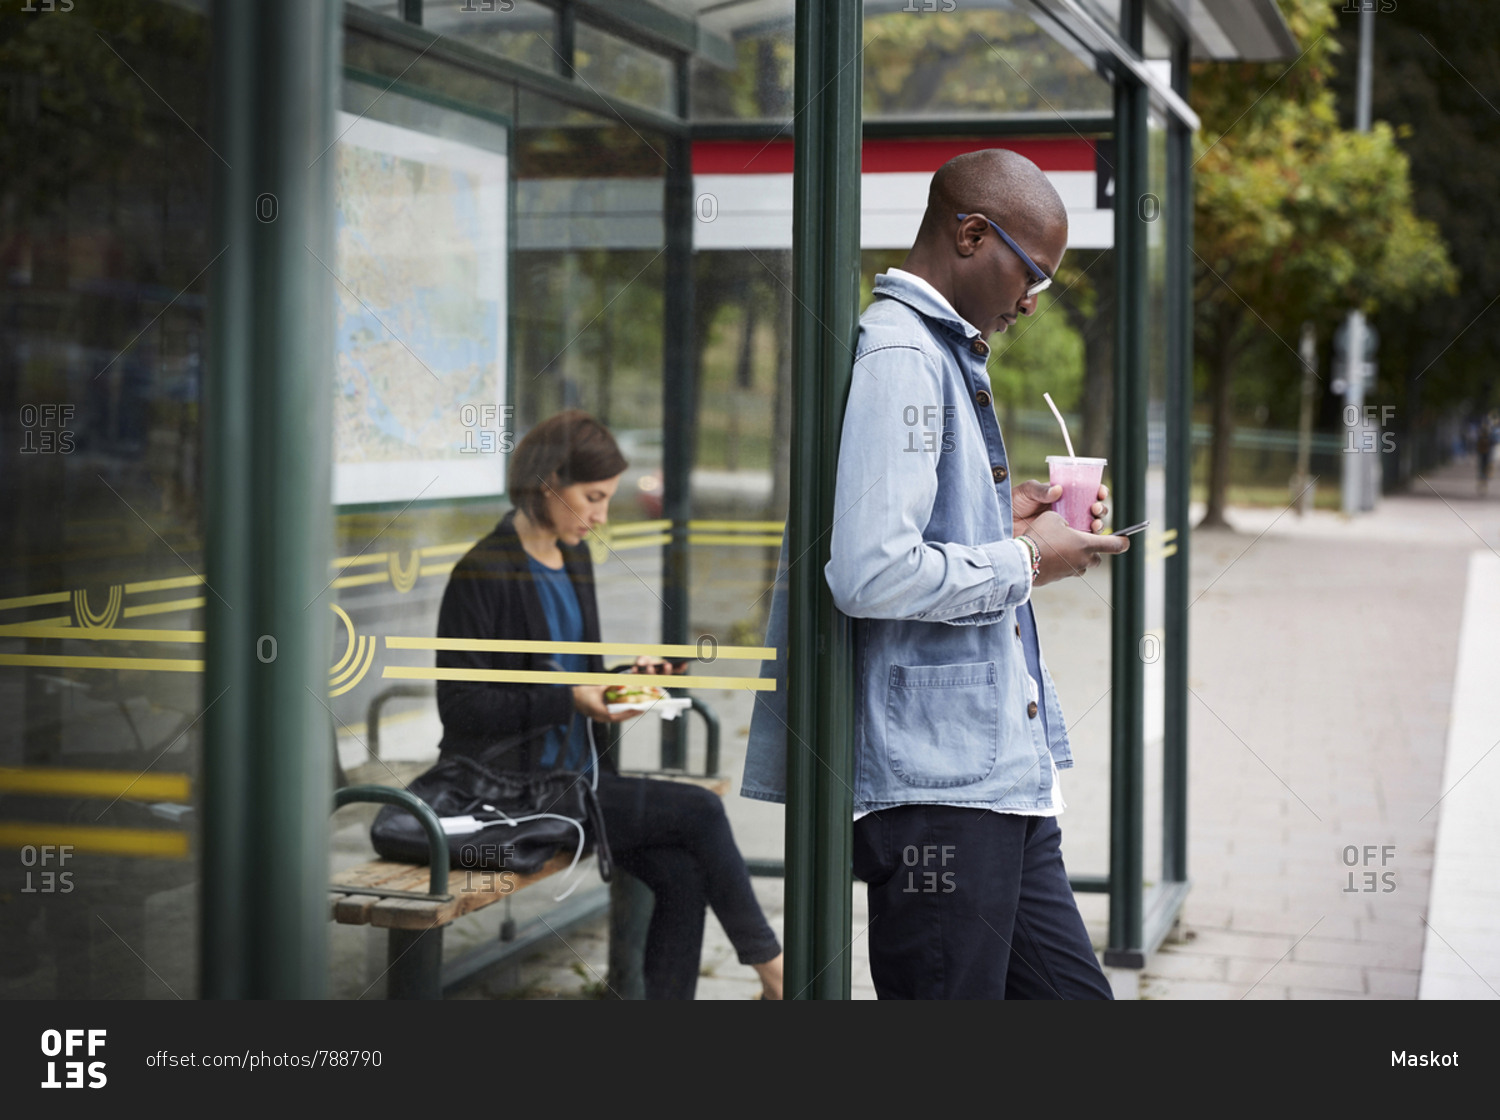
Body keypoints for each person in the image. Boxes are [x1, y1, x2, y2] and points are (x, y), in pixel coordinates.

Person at [743, 149, 1128, 998]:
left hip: (996, 781)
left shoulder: (941, 353)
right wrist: (1028, 559)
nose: (1032, 299)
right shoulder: (905, 359)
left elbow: (916, 539)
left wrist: (1007, 524)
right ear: (970, 233)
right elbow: (872, 574)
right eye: (1032, 275)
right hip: (941, 794)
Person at [435, 410, 784, 999]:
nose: (600, 516)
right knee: (698, 811)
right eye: (592, 498)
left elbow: (578, 680)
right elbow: (463, 708)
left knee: (678, 873)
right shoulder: (482, 572)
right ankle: (777, 973)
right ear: (547, 483)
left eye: (607, 499)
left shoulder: (573, 559)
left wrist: (627, 680)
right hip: (512, 793)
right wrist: (571, 696)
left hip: (577, 783)